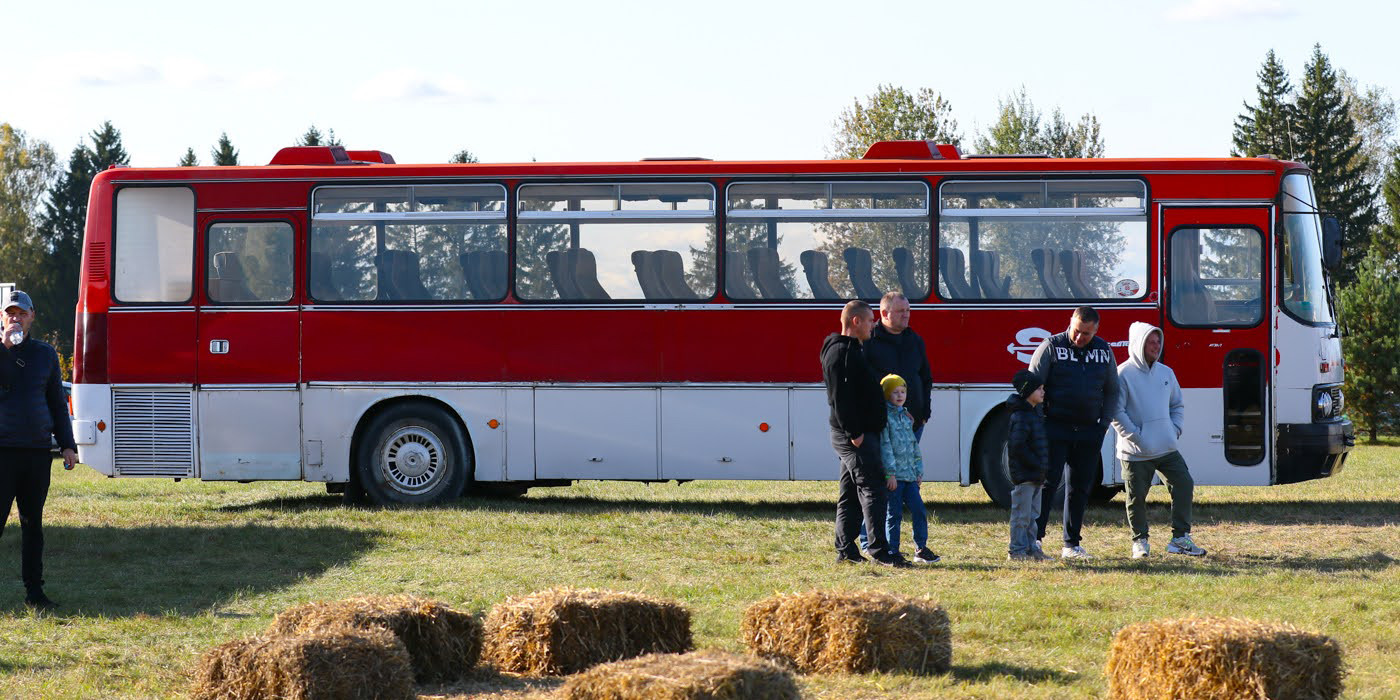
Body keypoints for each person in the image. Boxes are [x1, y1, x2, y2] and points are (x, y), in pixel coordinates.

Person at [1, 290, 78, 609]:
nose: (16, 318)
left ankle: (35, 593)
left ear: (32, 317)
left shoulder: (45, 354)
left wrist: (68, 444)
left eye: (22, 313)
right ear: (2, 319)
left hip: (36, 453)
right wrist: (4, 347)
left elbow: (57, 404)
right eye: (10, 313)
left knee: (33, 525)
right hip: (2, 452)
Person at [1027, 306, 1120, 560]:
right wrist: (1039, 423)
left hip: (1090, 430)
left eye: (1087, 334)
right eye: (1077, 331)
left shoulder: (1104, 351)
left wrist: (1103, 425)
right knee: (1047, 485)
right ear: (1071, 323)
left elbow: (1113, 389)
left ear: (1096, 330)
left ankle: (1071, 544)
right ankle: (1035, 540)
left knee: (1080, 488)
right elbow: (1032, 385)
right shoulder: (1051, 347)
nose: (1080, 338)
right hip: (1054, 427)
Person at [821, 300, 909, 568]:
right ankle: (879, 550)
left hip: (859, 432)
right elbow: (840, 398)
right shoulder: (841, 353)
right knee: (873, 488)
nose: (874, 325)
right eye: (871, 320)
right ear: (856, 321)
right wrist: (855, 432)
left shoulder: (851, 349)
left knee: (849, 493)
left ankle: (845, 549)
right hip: (855, 435)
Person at [1110, 321, 1206, 558]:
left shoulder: (1166, 373)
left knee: (1184, 484)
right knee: (1136, 498)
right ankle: (1140, 542)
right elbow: (1116, 411)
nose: (1155, 346)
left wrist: (1174, 429)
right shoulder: (1123, 374)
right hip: (1136, 451)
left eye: (1157, 342)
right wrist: (1137, 438)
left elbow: (1177, 405)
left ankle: (1180, 538)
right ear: (1138, 344)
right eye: (1150, 342)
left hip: (1166, 447)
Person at [876, 374, 940, 565]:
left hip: (910, 477)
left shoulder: (905, 417)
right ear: (887, 394)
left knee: (919, 510)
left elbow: (913, 446)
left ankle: (921, 548)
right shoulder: (885, 419)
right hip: (895, 478)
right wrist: (890, 474)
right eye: (895, 392)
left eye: (902, 391)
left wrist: (918, 471)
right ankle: (892, 550)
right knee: (893, 515)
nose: (899, 395)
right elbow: (885, 448)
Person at [865, 292, 933, 441]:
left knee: (909, 465)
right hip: (881, 426)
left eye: (908, 310)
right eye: (900, 311)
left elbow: (926, 378)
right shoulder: (869, 340)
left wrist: (924, 414)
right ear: (884, 313)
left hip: (913, 425)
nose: (906, 315)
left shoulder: (915, 340)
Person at [1007, 370, 1051, 561]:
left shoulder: (1033, 414)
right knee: (1021, 515)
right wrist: (1035, 465)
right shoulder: (1022, 417)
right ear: (1028, 392)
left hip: (1035, 475)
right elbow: (1018, 447)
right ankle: (1016, 550)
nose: (1043, 392)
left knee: (1033, 515)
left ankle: (1031, 547)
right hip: (1025, 475)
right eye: (1039, 389)